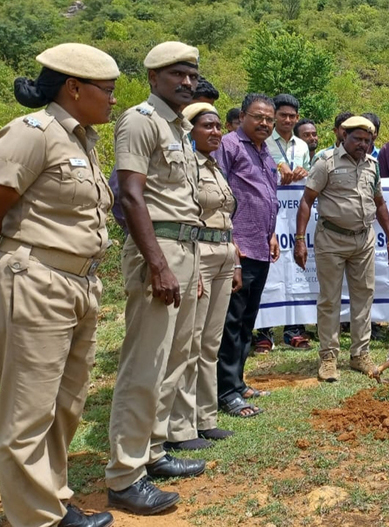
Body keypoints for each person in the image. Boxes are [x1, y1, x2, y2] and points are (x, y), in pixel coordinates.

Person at [0, 43, 118, 527]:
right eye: (108, 89)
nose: (114, 99)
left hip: (77, 283)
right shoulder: (31, 134)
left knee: (66, 402)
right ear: (74, 88)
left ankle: (51, 497)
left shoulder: (82, 140)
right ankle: (35, 518)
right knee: (29, 408)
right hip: (32, 279)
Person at [106, 41, 205, 515]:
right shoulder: (140, 120)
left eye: (191, 74)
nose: (186, 81)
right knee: (145, 362)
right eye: (176, 74)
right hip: (159, 250)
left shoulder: (179, 128)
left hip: (184, 246)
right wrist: (159, 263)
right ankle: (125, 475)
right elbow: (129, 195)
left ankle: (154, 450)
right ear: (152, 78)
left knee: (173, 357)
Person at [294, 116, 389, 382]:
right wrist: (299, 239)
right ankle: (328, 358)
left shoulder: (372, 165)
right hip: (331, 239)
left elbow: (379, 202)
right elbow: (307, 200)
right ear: (343, 135)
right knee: (329, 299)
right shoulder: (325, 162)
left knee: (364, 296)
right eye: (357, 139)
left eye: (368, 140)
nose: (363, 144)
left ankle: (360, 354)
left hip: (364, 240)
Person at [165, 103, 241, 452]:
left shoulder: (215, 167)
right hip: (199, 256)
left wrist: (236, 259)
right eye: (206, 126)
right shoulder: (187, 168)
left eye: (217, 126)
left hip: (223, 254)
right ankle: (180, 428)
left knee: (210, 343)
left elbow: (225, 215)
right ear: (189, 131)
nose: (215, 132)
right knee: (190, 343)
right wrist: (192, 267)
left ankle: (205, 418)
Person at [212, 94, 280, 416]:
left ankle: (238, 383)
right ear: (242, 116)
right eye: (258, 117)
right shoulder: (229, 145)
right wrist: (230, 240)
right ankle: (225, 392)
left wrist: (272, 233)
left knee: (246, 322)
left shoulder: (266, 152)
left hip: (261, 248)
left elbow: (266, 196)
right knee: (230, 321)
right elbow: (218, 194)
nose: (265, 123)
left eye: (270, 119)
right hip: (237, 248)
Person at [256, 93, 309, 354]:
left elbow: (309, 176)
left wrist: (303, 172)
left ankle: (293, 330)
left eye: (292, 116)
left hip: (295, 216)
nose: (287, 120)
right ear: (274, 116)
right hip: (267, 212)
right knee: (267, 269)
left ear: (297, 118)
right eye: (283, 115)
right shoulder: (263, 142)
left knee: (296, 269)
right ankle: (263, 332)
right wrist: (278, 169)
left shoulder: (302, 146)